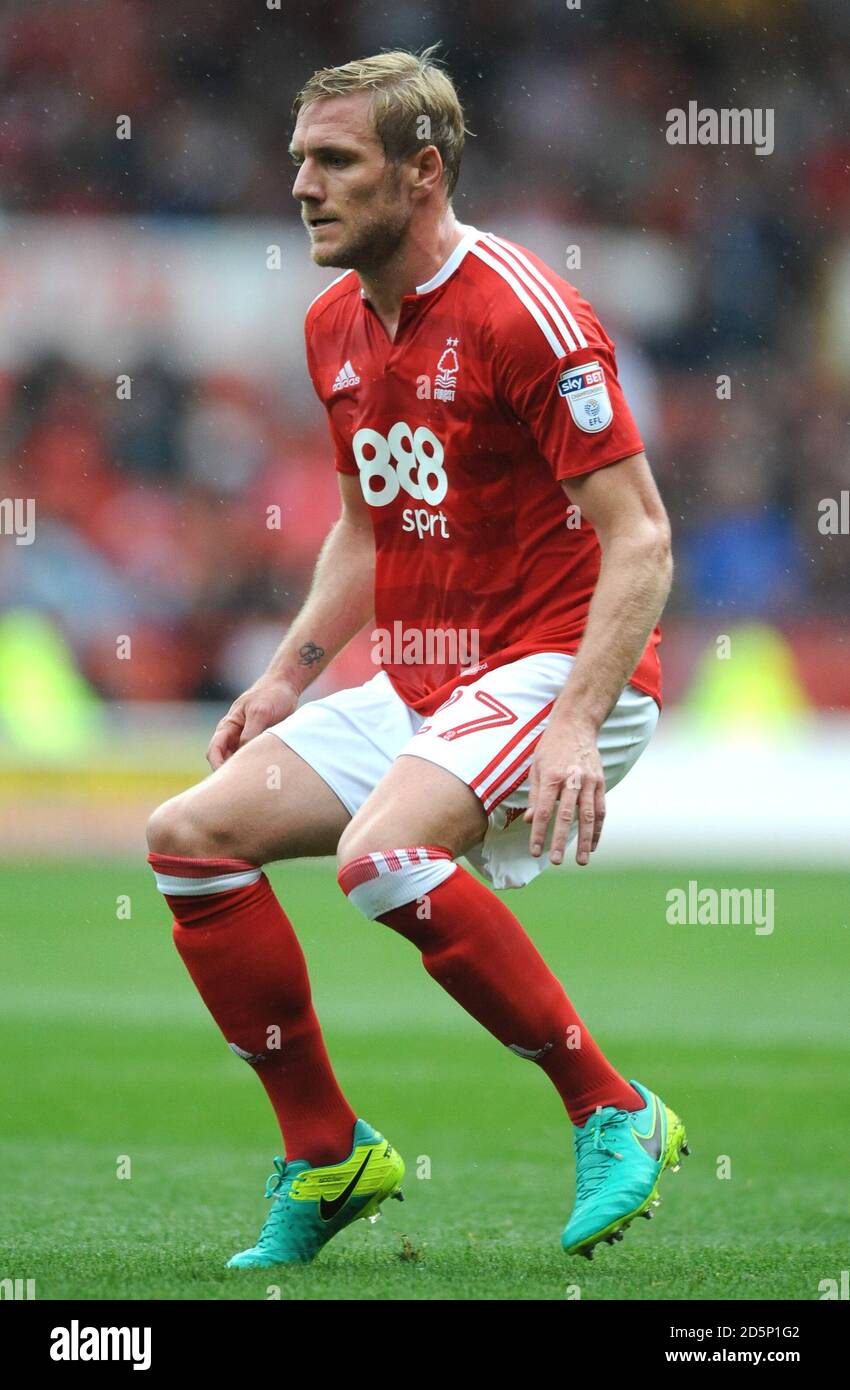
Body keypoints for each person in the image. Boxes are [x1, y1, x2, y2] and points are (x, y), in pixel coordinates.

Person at [146, 46, 688, 1268]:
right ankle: (328, 1151)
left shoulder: (524, 312)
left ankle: (614, 1108)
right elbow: (363, 523)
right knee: (189, 840)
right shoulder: (334, 325)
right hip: (427, 678)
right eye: (298, 159)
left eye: (334, 160)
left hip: (558, 665)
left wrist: (571, 718)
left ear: (422, 171)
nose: (302, 186)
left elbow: (641, 535)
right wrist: (290, 671)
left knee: (378, 853)